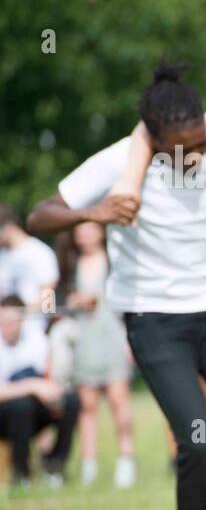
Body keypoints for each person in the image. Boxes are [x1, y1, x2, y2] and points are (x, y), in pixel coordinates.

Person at [28, 61, 206, 510]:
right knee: (198, 442)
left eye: (197, 146)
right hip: (154, 319)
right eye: (177, 148)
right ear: (152, 141)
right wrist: (94, 215)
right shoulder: (120, 160)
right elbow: (40, 215)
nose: (191, 157)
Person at [58, 222, 136, 488]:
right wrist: (71, 302)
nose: (84, 234)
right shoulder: (68, 264)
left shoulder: (115, 259)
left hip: (112, 334)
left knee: (119, 402)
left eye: (89, 228)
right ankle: (89, 465)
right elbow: (52, 301)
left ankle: (126, 460)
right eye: (80, 229)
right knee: (87, 406)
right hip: (84, 338)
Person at [0, 295, 79, 490]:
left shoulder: (36, 340)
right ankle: (22, 473)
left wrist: (52, 394)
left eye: (11, 322)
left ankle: (54, 466)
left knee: (70, 401)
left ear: (22, 320)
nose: (7, 327)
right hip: (8, 414)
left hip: (33, 410)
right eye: (3, 321)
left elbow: (48, 379)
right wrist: (33, 386)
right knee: (21, 406)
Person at [0, 203, 59, 336]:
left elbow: (48, 303)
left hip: (32, 333)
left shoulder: (40, 253)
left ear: (8, 227)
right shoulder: (3, 255)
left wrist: (16, 313)